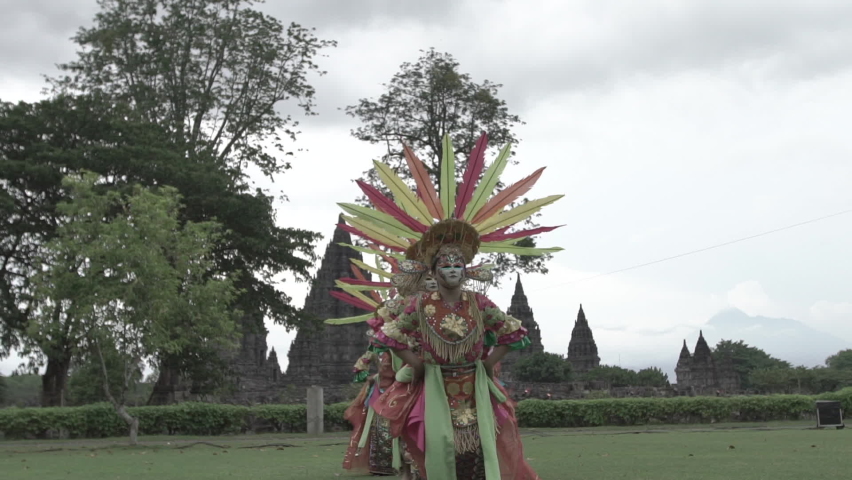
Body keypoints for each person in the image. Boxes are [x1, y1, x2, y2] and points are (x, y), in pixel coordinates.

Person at [335, 132, 562, 479]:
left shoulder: (479, 302)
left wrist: (487, 365)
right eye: (445, 264)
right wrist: (417, 364)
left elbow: (514, 333)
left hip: (474, 386)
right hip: (434, 386)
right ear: (434, 269)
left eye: (458, 264)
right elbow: (386, 335)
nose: (452, 269)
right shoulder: (419, 306)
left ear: (466, 269)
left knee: (479, 450)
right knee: (433, 448)